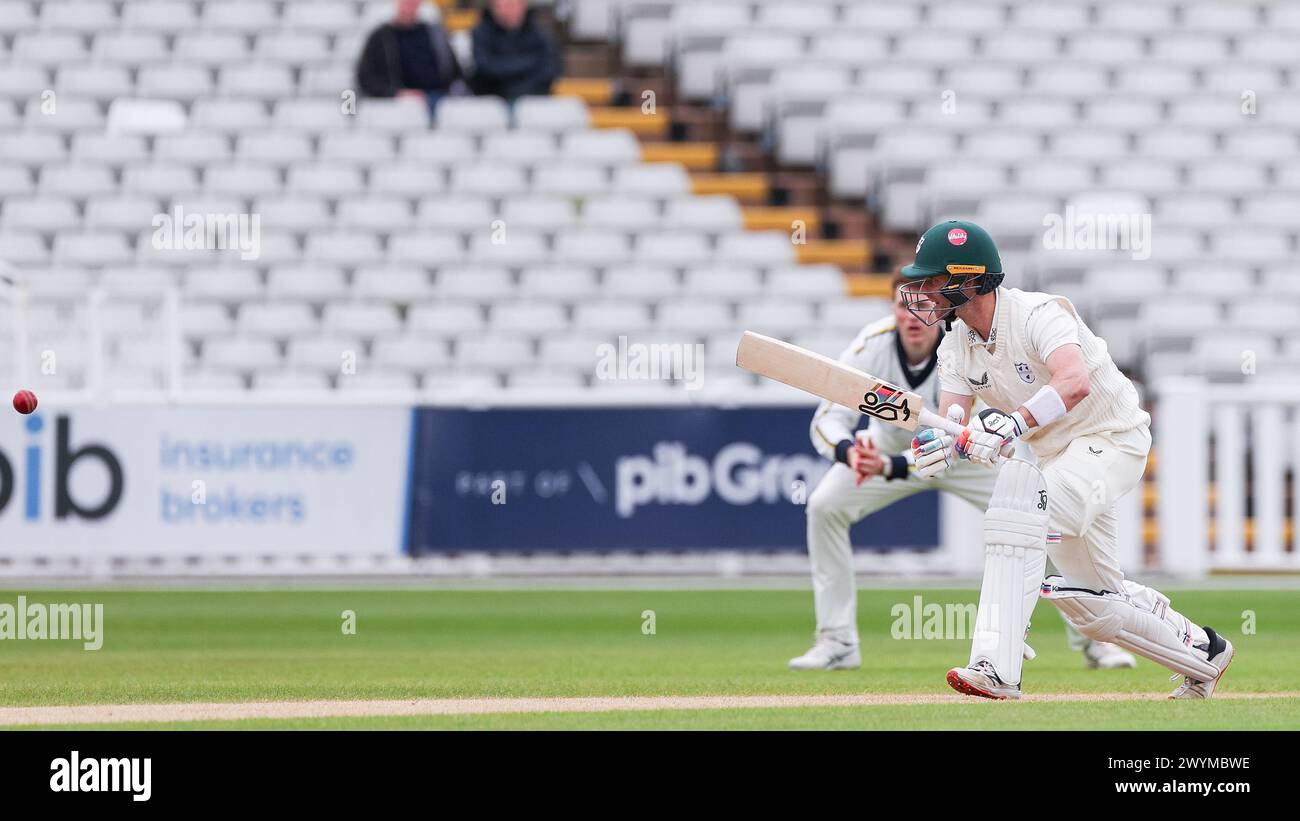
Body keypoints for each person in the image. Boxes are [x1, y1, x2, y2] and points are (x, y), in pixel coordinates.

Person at [901, 220, 1234, 700]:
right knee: (1095, 608)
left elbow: (1073, 382)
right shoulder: (956, 343)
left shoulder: (1040, 313)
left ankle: (995, 665)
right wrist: (939, 444)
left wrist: (1012, 424)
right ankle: (1204, 651)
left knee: (1018, 513)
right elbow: (955, 414)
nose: (923, 292)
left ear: (969, 279)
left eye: (931, 280)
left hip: (1112, 439)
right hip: (1055, 458)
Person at [791, 274, 1137, 672]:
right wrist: (851, 453)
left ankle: (1094, 641)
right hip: (886, 451)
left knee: (1037, 519)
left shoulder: (961, 340)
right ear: (893, 309)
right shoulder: (873, 343)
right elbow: (827, 418)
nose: (913, 316)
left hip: (971, 453)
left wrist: (902, 462)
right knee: (823, 507)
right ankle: (837, 641)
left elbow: (965, 433)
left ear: (939, 306)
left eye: (923, 304)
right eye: (904, 305)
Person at [356, 0, 464, 111]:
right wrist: (396, 94)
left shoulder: (435, 34)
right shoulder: (381, 37)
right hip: (398, 103)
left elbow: (455, 73)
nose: (408, 6)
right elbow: (365, 78)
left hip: (437, 98)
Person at [468, 0, 561, 101]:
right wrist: (529, 62)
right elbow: (484, 68)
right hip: (490, 101)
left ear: (522, 5)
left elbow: (550, 70)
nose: (503, 11)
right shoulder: (480, 32)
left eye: (509, 5)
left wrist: (518, 85)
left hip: (533, 99)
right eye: (498, 6)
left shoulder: (540, 33)